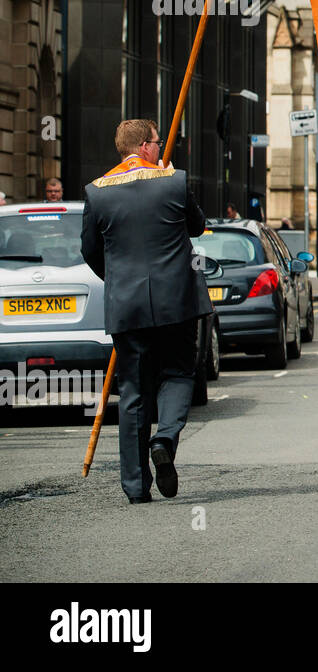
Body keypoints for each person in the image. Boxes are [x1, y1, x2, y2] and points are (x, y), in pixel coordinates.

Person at [80, 119, 211, 504]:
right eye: (157, 142)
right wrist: (173, 182)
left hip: (127, 306)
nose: (161, 148)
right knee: (177, 373)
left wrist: (119, 280)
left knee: (134, 392)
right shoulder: (173, 181)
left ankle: (136, 487)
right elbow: (198, 227)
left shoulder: (96, 191)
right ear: (144, 147)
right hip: (177, 302)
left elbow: (89, 250)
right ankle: (165, 440)